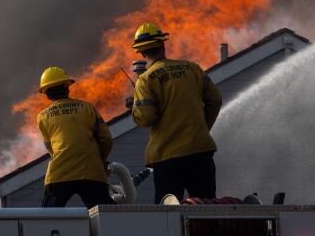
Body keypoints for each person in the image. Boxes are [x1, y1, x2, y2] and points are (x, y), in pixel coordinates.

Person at [131, 23, 223, 203]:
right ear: (163, 45)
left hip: (168, 158)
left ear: (141, 53)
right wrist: (202, 128)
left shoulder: (146, 79)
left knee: (169, 217)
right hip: (200, 152)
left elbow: (146, 118)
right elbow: (215, 99)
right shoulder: (192, 68)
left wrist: (135, 111)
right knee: (207, 210)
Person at [37, 66, 114, 208]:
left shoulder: (42, 117)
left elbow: (50, 148)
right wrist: (98, 160)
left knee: (47, 220)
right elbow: (106, 140)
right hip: (91, 171)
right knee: (106, 216)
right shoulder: (87, 108)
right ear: (67, 87)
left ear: (47, 93)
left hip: (59, 173)